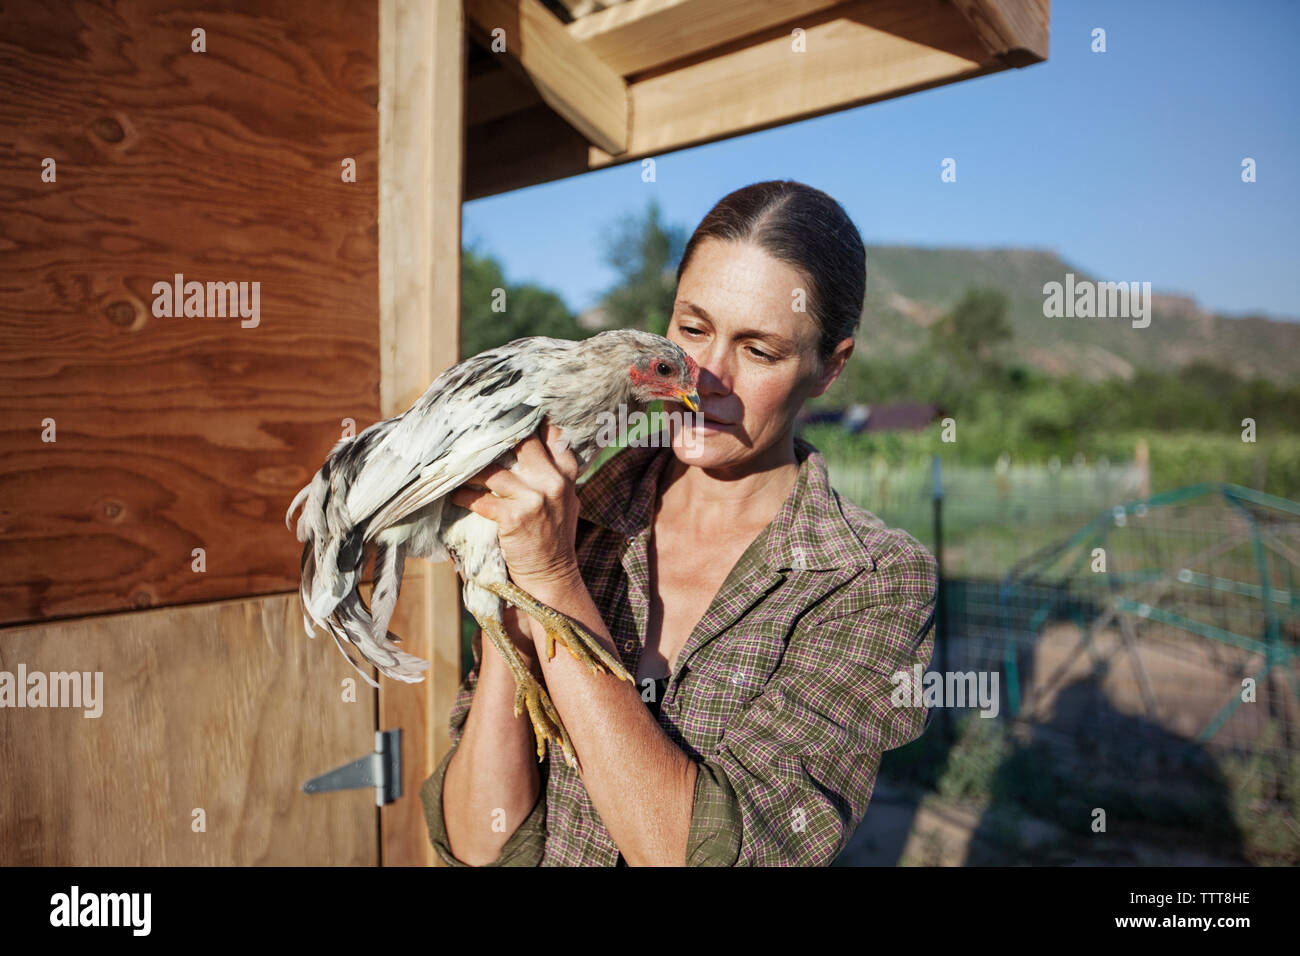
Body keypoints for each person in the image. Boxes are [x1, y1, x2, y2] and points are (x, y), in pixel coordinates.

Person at [420, 180, 938, 866]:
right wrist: (506, 602)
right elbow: (479, 845)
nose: (708, 376)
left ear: (828, 369)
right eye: (693, 329)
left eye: (759, 350)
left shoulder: (869, 583)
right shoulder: (573, 511)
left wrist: (550, 578)